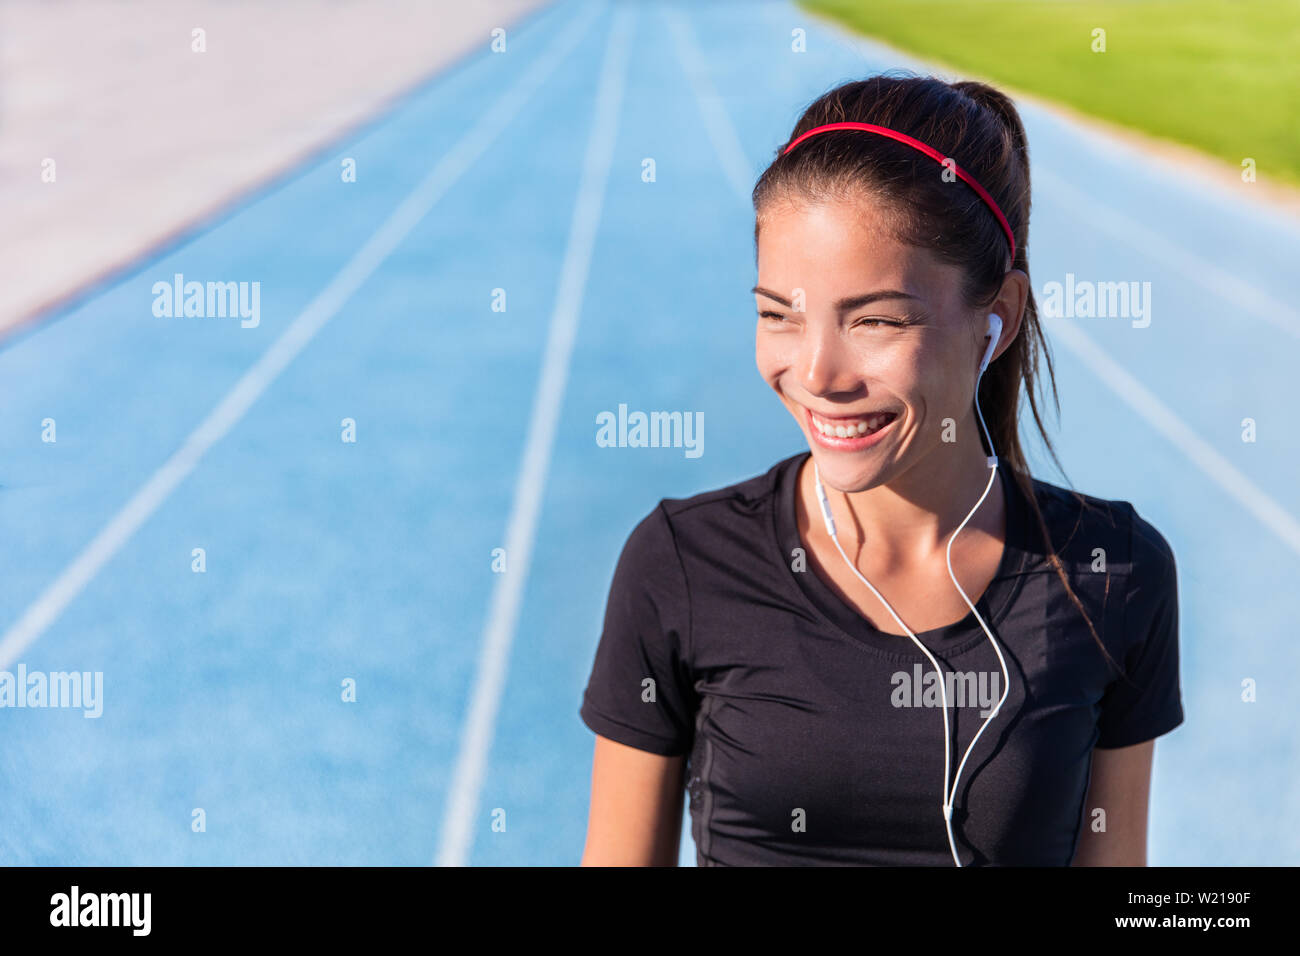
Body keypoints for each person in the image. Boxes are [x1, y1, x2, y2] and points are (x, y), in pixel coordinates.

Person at [579, 74, 1184, 866]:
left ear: (995, 319)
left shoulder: (1114, 572)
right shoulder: (680, 565)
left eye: (876, 320)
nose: (818, 372)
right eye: (778, 315)